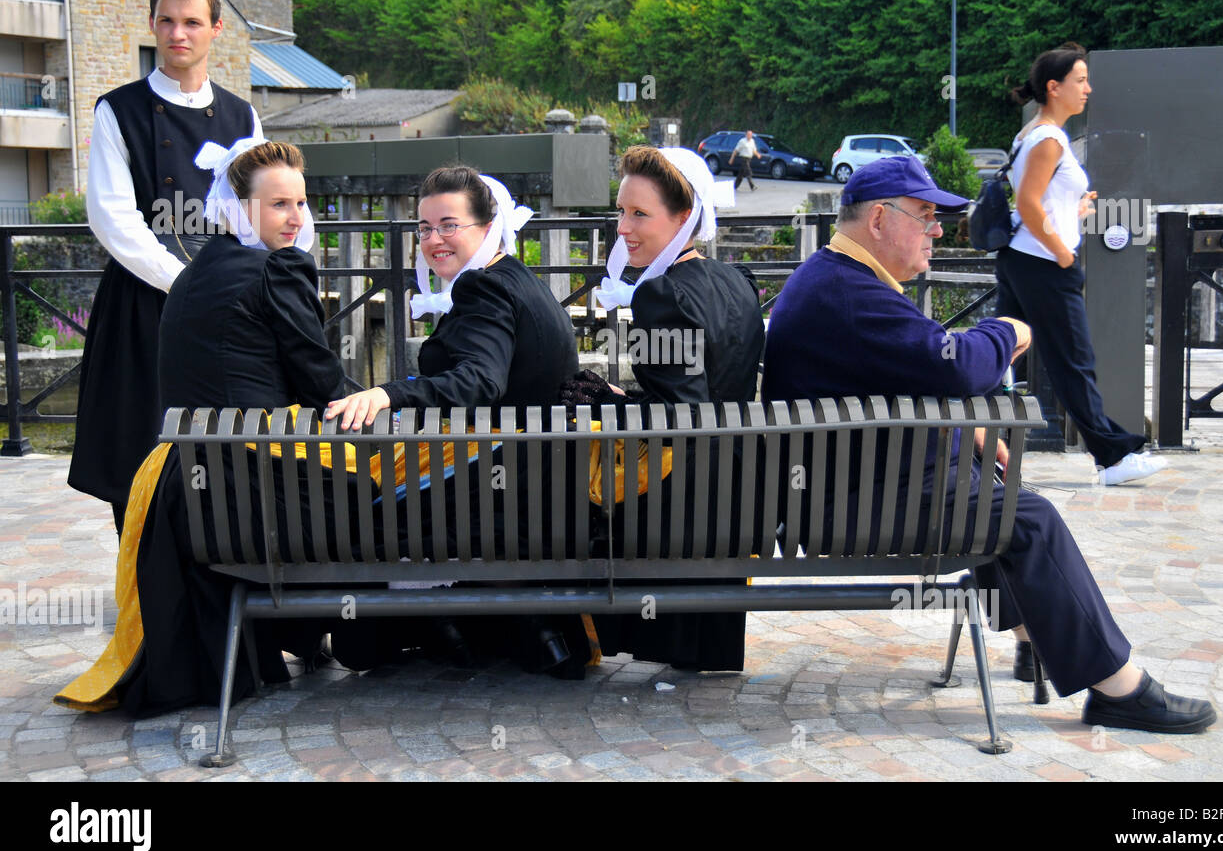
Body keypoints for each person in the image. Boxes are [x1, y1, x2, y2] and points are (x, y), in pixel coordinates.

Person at [762, 155, 1216, 734]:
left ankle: (1035, 639)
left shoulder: (840, 279)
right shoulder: (849, 293)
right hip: (847, 505)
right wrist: (1011, 327)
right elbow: (956, 365)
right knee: (1028, 519)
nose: (937, 231)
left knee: (992, 490)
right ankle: (1119, 690)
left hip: (851, 487)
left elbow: (909, 377)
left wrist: (971, 433)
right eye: (925, 216)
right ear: (878, 219)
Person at [56, 139, 348, 715]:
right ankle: (420, 631)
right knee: (391, 494)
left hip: (185, 490)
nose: (296, 218)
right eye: (279, 205)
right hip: (251, 494)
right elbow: (324, 385)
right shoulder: (279, 269)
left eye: (301, 203)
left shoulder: (191, 276)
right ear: (239, 208)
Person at [322, 166, 588, 676]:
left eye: (448, 225)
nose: (432, 240)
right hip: (541, 483)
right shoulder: (519, 281)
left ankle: (424, 624)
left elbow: (478, 382)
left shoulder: (482, 290)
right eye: (423, 228)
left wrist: (387, 394)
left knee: (358, 503)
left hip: (502, 493)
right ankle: (470, 625)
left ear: (487, 226)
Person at [69, 0, 262, 537]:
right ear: (153, 25)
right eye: (168, 21)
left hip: (225, 309)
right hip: (141, 304)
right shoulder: (117, 110)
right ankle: (144, 600)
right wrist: (183, 283)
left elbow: (259, 211)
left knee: (226, 449)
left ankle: (217, 589)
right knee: (137, 451)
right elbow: (112, 217)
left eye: (192, 22)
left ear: (216, 29)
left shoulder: (242, 116)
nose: (179, 33)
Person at [562, 145, 765, 671]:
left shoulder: (660, 296)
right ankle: (704, 650)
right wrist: (628, 399)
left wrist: (610, 405)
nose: (622, 228)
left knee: (560, 494)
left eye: (639, 214)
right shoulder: (736, 282)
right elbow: (708, 392)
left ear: (683, 218)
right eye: (621, 212)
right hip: (738, 492)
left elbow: (680, 416)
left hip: (685, 500)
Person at [996, 42, 1165, 488]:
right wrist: (1063, 251)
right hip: (1045, 263)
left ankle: (982, 444)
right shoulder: (1049, 138)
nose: (1088, 88)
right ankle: (1112, 457)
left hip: (1023, 258)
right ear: (1055, 87)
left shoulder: (1033, 133)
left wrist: (1074, 209)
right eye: (1080, 80)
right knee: (1073, 360)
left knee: (1003, 351)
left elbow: (1041, 202)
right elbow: (1028, 203)